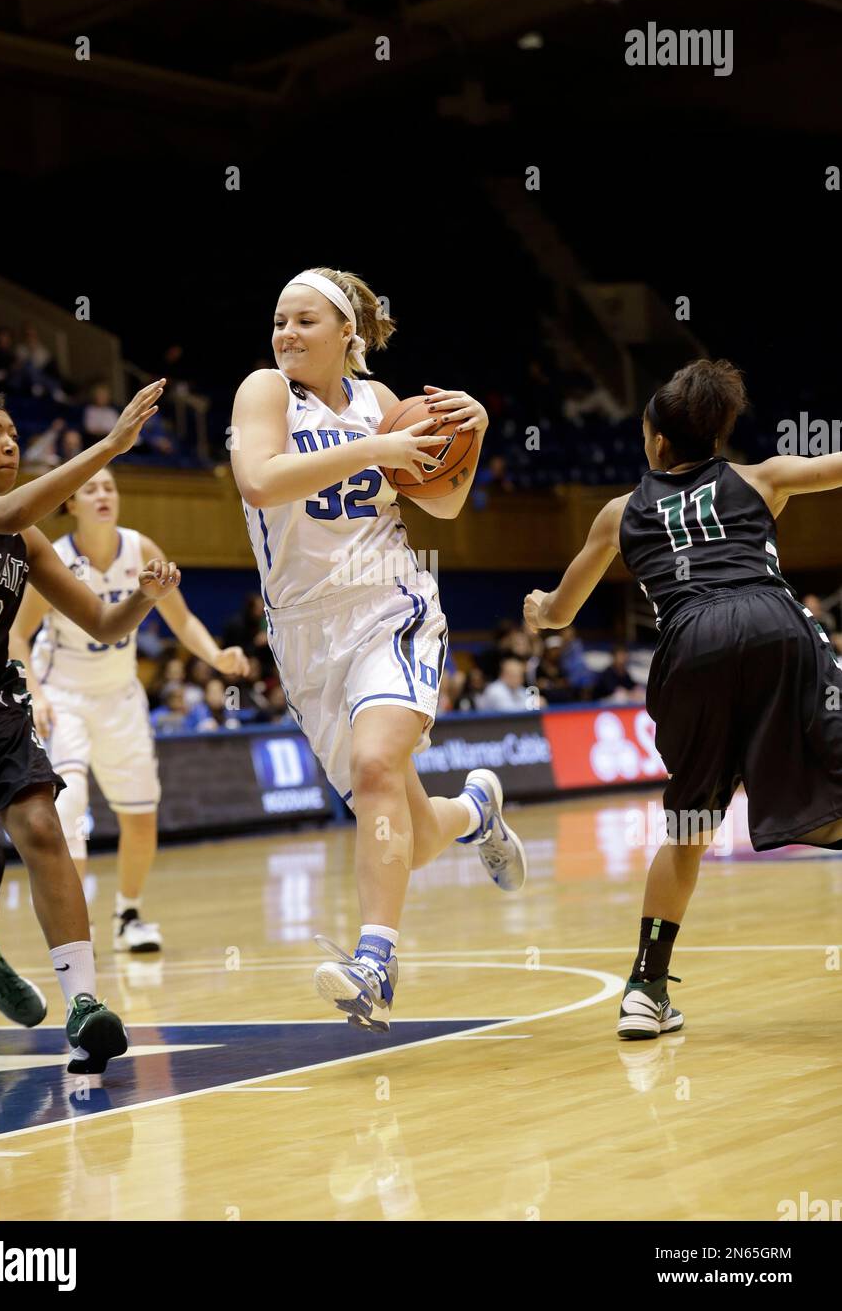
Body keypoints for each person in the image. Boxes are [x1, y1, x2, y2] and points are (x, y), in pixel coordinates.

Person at [230, 266, 526, 1031]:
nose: (285, 334)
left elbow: (445, 500)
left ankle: (374, 963)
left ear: (346, 335)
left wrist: (476, 428)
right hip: (302, 630)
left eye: (304, 321)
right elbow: (260, 481)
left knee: (373, 765)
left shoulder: (380, 402)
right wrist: (377, 450)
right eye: (279, 320)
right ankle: (474, 812)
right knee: (400, 823)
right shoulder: (265, 390)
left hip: (389, 600)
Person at [524, 358, 842, 1041]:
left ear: (655, 441)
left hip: (689, 645)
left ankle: (643, 989)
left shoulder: (618, 513)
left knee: (688, 831)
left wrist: (538, 609)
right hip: (772, 626)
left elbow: (560, 610)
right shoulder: (762, 478)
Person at [0, 372, 174, 1073]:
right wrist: (113, 445)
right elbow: (1, 515)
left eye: (12, 431)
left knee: (38, 822)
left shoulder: (24, 536)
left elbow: (98, 619)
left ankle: (85, 1005)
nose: (8, 441)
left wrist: (142, 601)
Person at [9, 467, 247, 952]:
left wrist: (216, 656)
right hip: (65, 698)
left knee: (140, 816)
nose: (103, 495)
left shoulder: (141, 549)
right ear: (70, 504)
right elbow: (17, 632)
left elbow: (181, 620)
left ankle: (128, 915)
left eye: (110, 487)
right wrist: (34, 691)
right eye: (90, 488)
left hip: (121, 698)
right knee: (69, 811)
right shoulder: (55, 558)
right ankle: (77, 927)